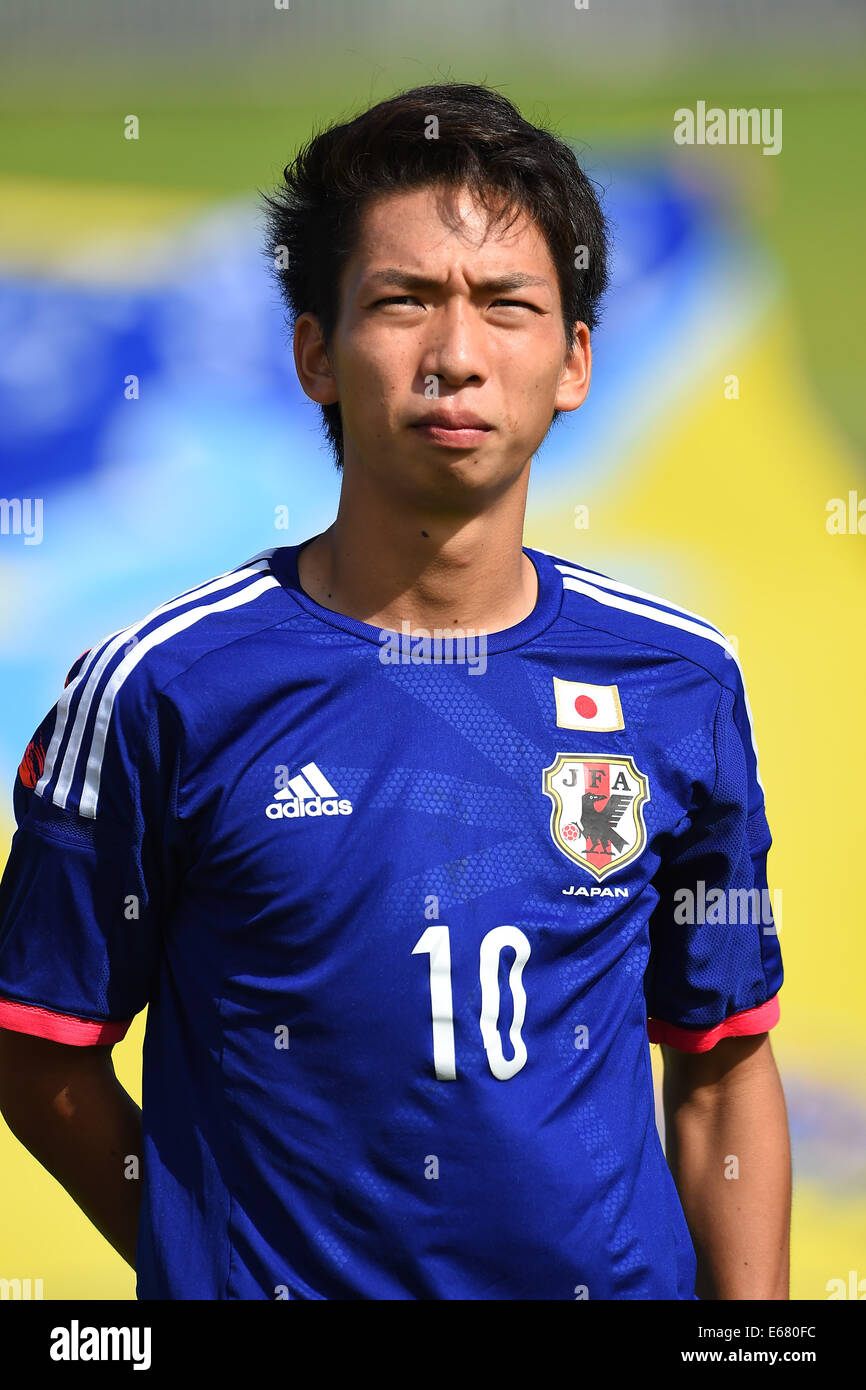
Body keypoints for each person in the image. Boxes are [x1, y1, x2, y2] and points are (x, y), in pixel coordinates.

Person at [0, 81, 790, 1300]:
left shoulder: (681, 680)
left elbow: (723, 1061)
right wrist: (198, 1262)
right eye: (402, 301)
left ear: (575, 359)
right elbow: (39, 1050)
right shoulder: (161, 688)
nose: (455, 357)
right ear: (314, 351)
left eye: (506, 308)